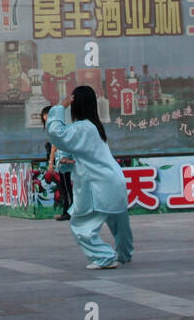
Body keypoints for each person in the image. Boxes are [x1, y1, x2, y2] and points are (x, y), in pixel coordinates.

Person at [45, 86, 132, 269]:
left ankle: (105, 257)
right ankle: (124, 254)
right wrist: (67, 160)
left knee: (80, 225)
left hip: (98, 185)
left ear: (76, 104)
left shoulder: (82, 127)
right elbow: (82, 152)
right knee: (120, 225)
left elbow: (56, 133)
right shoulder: (95, 127)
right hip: (114, 181)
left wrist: (60, 107)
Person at [46, 105, 75, 221]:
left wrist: (52, 162)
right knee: (65, 188)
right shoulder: (60, 129)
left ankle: (69, 212)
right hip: (62, 163)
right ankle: (67, 211)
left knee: (67, 189)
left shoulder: (60, 129)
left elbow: (55, 147)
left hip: (65, 164)